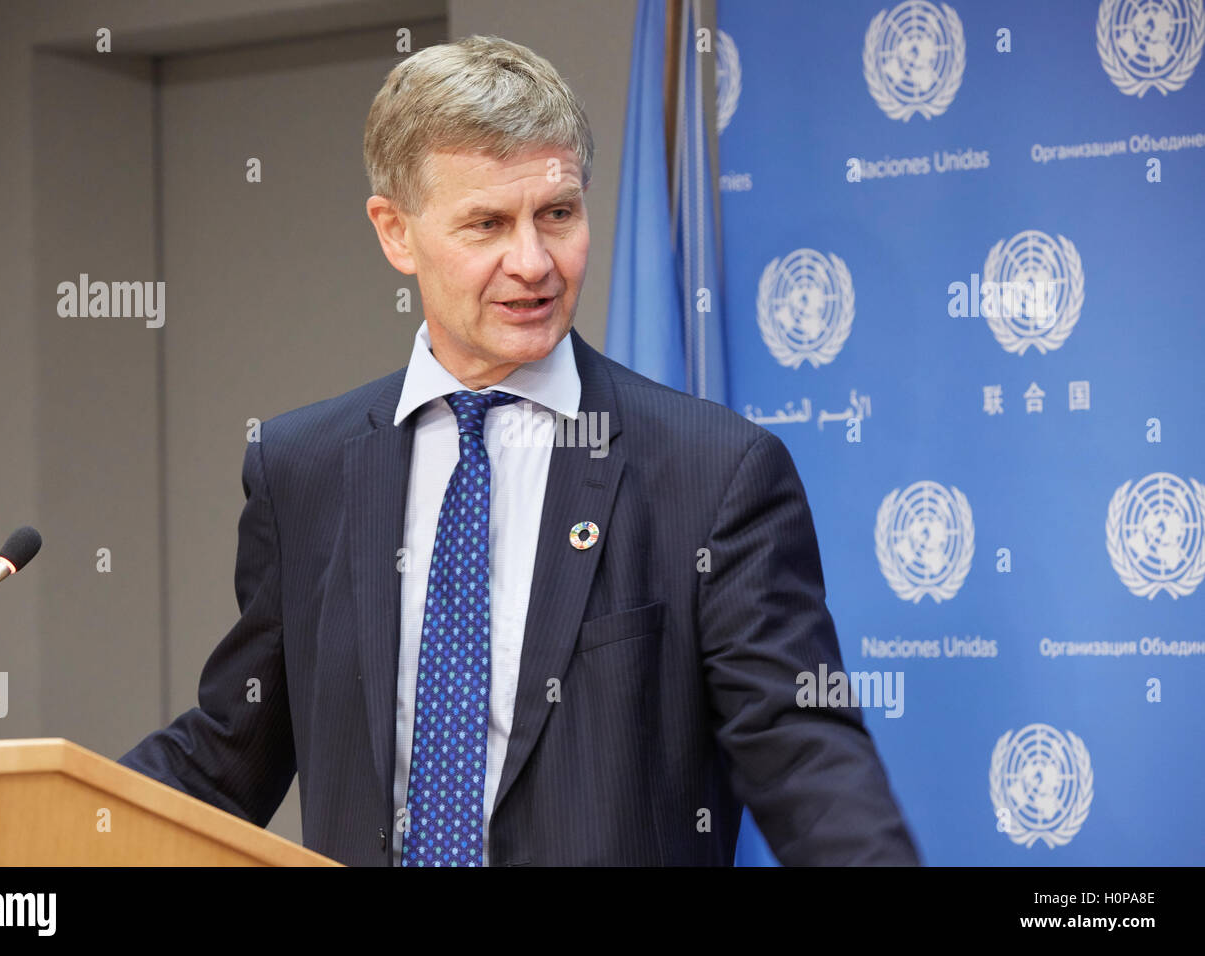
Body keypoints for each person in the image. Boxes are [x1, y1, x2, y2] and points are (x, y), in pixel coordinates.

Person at [119, 35, 920, 867]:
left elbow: (802, 755)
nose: (533, 263)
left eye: (558, 214)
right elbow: (227, 753)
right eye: (488, 224)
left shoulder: (711, 472)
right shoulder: (303, 469)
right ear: (396, 232)